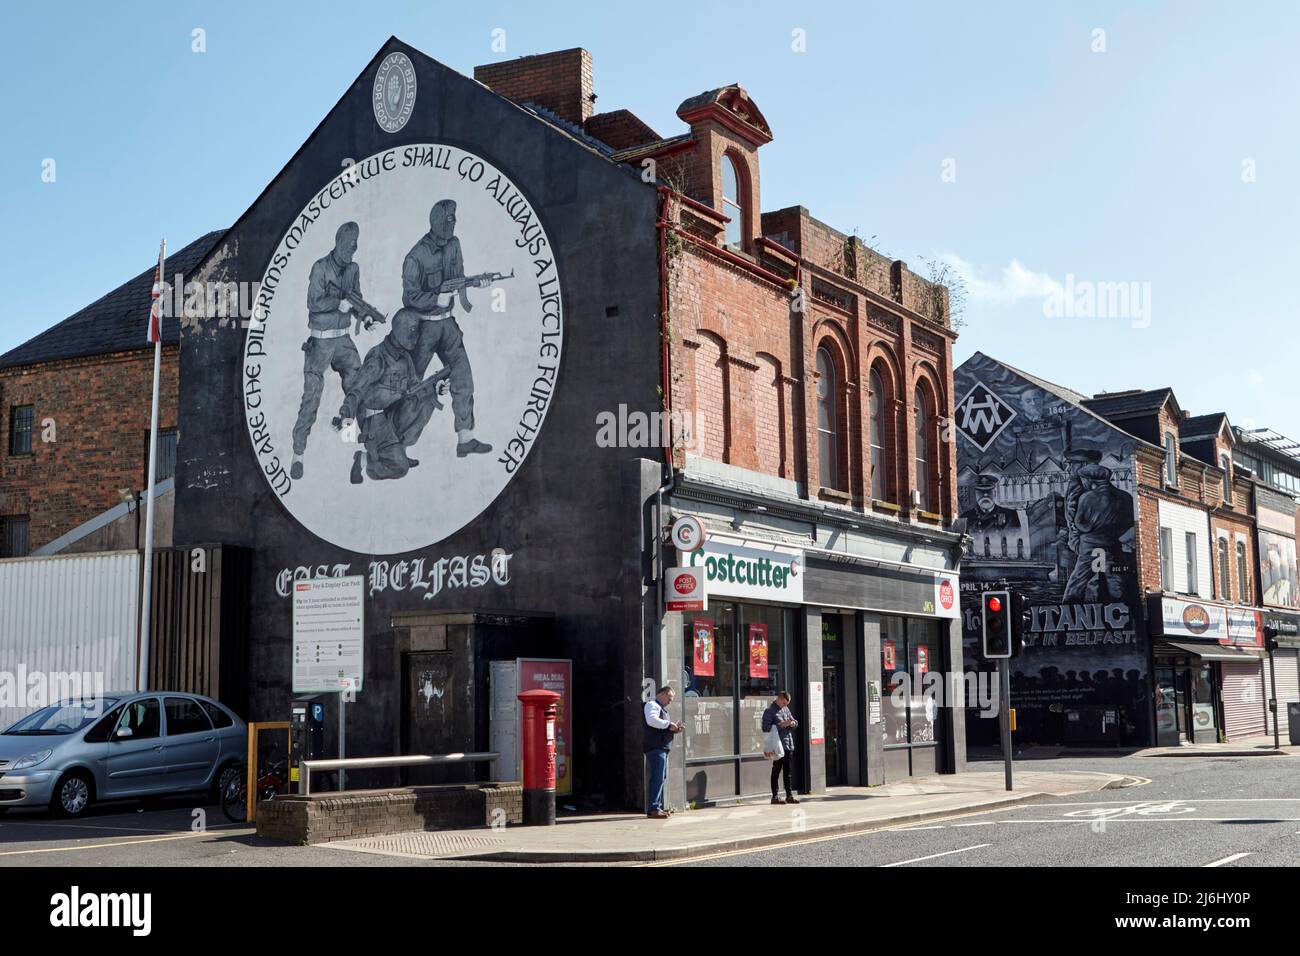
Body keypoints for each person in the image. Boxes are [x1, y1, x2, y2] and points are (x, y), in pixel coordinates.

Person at [401, 200, 492, 458]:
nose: (453, 224)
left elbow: (458, 278)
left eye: (454, 218)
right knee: (411, 386)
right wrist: (434, 300)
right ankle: (396, 446)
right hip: (423, 327)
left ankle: (465, 439)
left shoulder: (454, 245)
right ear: (437, 222)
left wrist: (476, 283)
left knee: (463, 379)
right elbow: (409, 297)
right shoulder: (416, 256)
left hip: (448, 326)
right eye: (449, 219)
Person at [291, 222, 364, 479]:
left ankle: (355, 437)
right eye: (348, 247)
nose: (351, 252)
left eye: (354, 248)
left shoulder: (353, 269)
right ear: (339, 243)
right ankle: (298, 454)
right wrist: (337, 304)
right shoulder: (320, 267)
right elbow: (313, 302)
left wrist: (364, 316)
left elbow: (357, 299)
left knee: (360, 385)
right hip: (320, 341)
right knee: (312, 396)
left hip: (343, 339)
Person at [335, 310, 443, 483]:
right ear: (401, 330)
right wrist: (345, 414)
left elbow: (414, 385)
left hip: (393, 413)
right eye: (413, 331)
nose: (417, 336)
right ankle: (364, 459)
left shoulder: (405, 357)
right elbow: (357, 389)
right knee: (400, 468)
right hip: (374, 420)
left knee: (426, 397)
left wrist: (436, 387)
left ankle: (399, 449)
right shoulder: (378, 358)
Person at [643, 685, 683, 819]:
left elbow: (660, 725)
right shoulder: (652, 705)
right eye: (670, 698)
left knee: (661, 777)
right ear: (662, 694)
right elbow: (651, 720)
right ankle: (654, 808)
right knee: (658, 777)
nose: (670, 701)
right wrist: (669, 725)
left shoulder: (660, 708)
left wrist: (674, 729)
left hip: (661, 747)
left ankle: (657, 807)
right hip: (656, 747)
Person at [761, 691, 800, 805]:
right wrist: (781, 725)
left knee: (788, 772)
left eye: (787, 704)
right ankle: (775, 796)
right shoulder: (769, 711)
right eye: (784, 703)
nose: (785, 706)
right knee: (776, 771)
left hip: (788, 744)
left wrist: (793, 723)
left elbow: (794, 721)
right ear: (778, 699)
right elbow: (765, 727)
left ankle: (789, 796)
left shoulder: (786, 709)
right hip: (777, 746)